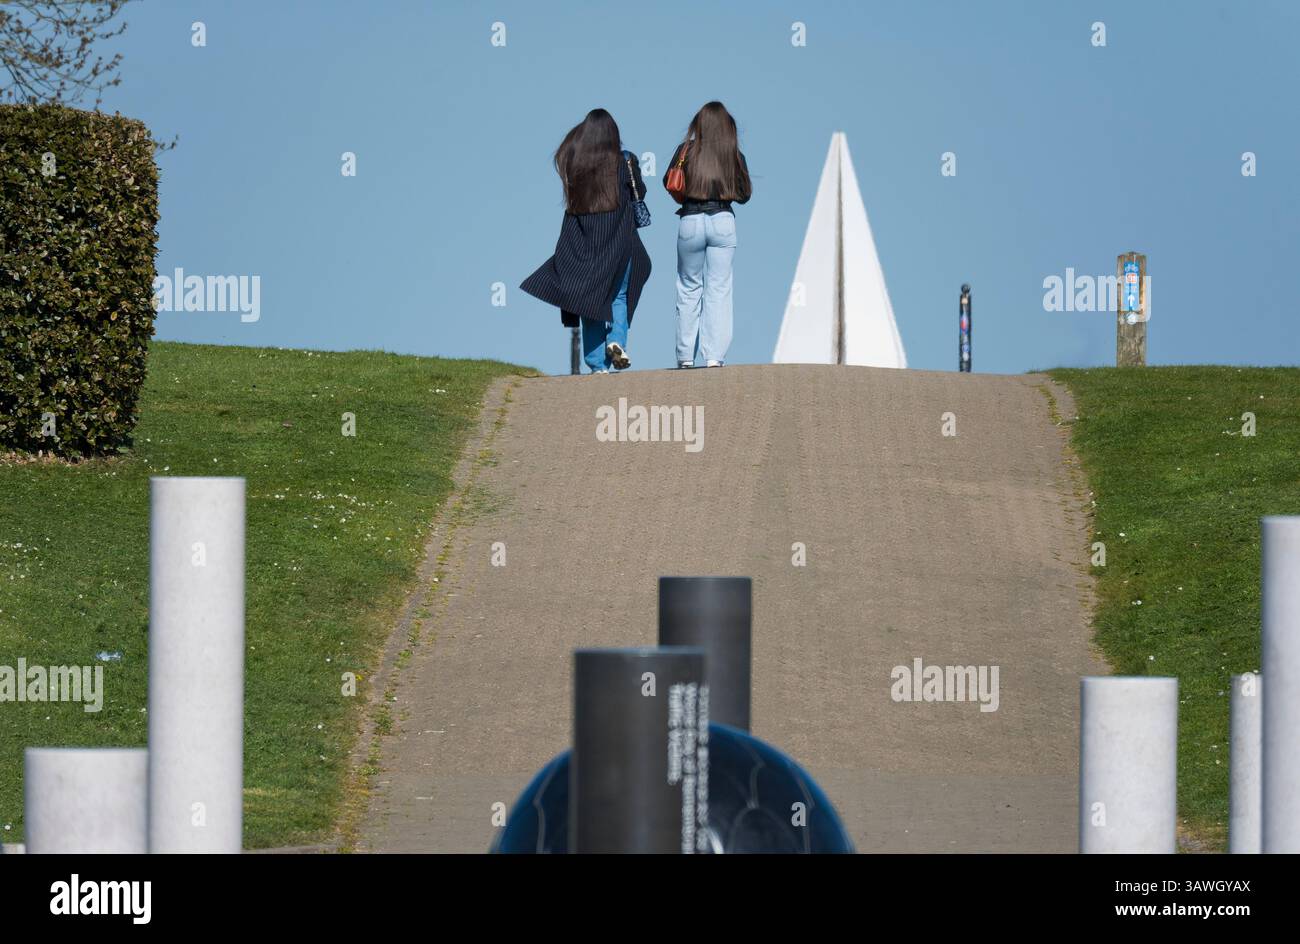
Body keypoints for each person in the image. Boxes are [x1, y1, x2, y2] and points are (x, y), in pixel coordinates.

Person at [521, 108, 651, 373]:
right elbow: (642, 190)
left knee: (589, 302)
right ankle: (616, 340)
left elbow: (563, 156)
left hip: (584, 245)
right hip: (619, 242)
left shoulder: (576, 166)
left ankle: (596, 365)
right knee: (619, 295)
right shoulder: (625, 161)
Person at [664, 101, 752, 368]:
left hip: (690, 220)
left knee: (689, 287)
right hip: (723, 220)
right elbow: (745, 195)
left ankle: (685, 357)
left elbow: (667, 181)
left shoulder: (685, 150)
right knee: (719, 288)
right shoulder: (732, 154)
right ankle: (714, 357)